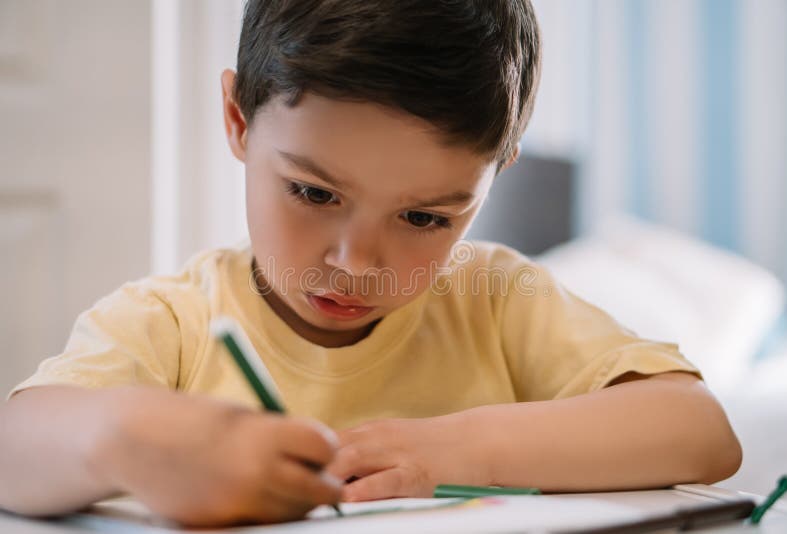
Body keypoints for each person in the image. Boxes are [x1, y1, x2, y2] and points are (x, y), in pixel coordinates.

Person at [0, 0, 742, 527]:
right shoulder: (171, 321)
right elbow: (13, 451)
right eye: (314, 192)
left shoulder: (498, 297)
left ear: (494, 175)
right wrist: (128, 441)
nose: (356, 263)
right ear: (238, 120)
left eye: (425, 218)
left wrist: (452, 450)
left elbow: (700, 430)